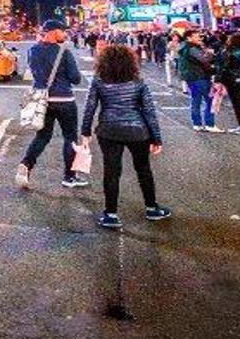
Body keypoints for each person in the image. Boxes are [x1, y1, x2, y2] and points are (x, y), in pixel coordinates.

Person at [79, 44, 170, 229]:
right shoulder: (138, 81)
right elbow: (149, 111)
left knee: (111, 171)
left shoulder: (98, 80)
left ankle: (111, 214)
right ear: (131, 61)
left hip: (109, 130)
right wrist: (156, 138)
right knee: (143, 169)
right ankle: (152, 208)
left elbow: (90, 107)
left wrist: (86, 131)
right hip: (138, 131)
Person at [16, 19, 87, 190]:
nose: (65, 35)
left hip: (43, 100)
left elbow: (34, 73)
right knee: (70, 138)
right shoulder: (64, 52)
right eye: (63, 31)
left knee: (42, 136)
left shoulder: (33, 51)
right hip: (64, 100)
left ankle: (26, 164)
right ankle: (69, 177)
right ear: (54, 32)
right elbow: (76, 79)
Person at [177, 29, 220, 133]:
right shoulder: (192, 48)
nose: (199, 38)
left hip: (191, 78)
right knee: (210, 100)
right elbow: (204, 59)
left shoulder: (185, 47)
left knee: (196, 100)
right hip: (199, 77)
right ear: (189, 38)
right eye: (196, 36)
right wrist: (210, 54)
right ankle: (210, 124)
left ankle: (197, 124)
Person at [214, 34, 240, 134]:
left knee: (237, 103)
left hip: (233, 78)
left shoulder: (228, 51)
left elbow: (224, 66)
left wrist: (218, 79)